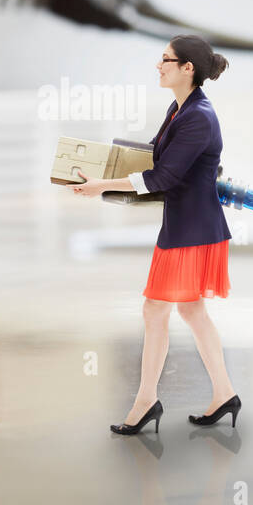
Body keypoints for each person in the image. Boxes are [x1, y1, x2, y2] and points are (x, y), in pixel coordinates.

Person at [70, 35, 241, 433]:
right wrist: (99, 175)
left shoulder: (198, 116)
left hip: (192, 230)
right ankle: (224, 394)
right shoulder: (181, 108)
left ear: (188, 68)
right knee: (189, 310)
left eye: (166, 59)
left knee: (156, 309)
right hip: (188, 225)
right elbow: (151, 157)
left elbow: (162, 176)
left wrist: (102, 186)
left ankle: (147, 401)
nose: (158, 65)